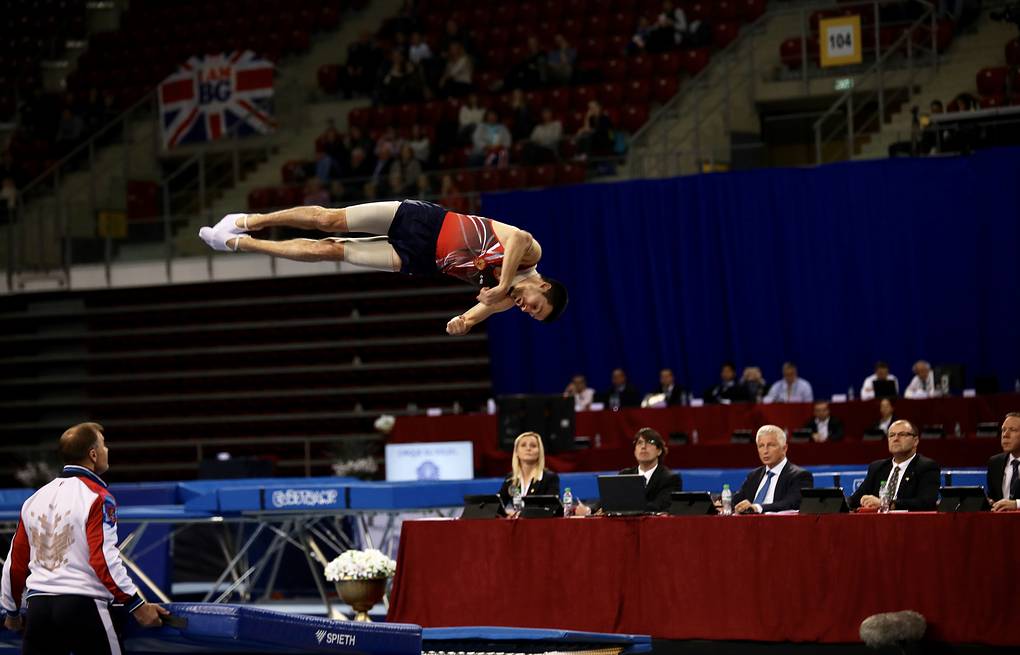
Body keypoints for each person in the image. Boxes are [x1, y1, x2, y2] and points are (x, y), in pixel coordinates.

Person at [198, 200, 568, 332]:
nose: (524, 308)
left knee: (330, 251)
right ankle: (250, 220)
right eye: (534, 306)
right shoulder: (530, 256)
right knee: (329, 220)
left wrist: (461, 323)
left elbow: (473, 315)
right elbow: (518, 236)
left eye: (529, 314)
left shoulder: (503, 300)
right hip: (426, 221)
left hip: (421, 261)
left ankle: (237, 242)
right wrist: (503, 284)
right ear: (544, 287)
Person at [1, 423, 169, 654]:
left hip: (38, 609)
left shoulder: (34, 499)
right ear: (93, 454)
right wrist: (137, 605)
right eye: (103, 445)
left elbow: (15, 564)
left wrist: (11, 611)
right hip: (83, 606)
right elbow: (103, 559)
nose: (107, 450)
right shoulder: (97, 497)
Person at [576, 428, 682, 515]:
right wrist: (588, 510)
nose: (643, 447)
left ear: (659, 450)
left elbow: (660, 506)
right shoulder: (625, 474)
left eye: (650, 442)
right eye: (639, 443)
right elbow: (607, 501)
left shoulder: (670, 478)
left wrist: (620, 507)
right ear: (635, 451)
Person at [848, 420, 941, 511]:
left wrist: (885, 504)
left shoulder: (926, 467)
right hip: (876, 523)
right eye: (891, 435)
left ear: (915, 441)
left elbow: (926, 502)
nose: (895, 438)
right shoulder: (877, 467)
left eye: (902, 434)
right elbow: (854, 500)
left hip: (908, 523)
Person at [731, 425, 814, 513]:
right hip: (749, 524)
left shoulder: (800, 476)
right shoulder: (753, 476)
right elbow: (736, 501)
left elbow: (791, 503)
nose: (765, 451)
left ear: (784, 448)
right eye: (761, 446)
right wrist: (723, 503)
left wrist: (758, 508)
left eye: (771, 445)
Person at [497, 432, 560, 514]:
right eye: (523, 445)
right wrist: (507, 513)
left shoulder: (549, 478)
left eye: (533, 446)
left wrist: (521, 514)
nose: (528, 448)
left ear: (539, 452)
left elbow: (552, 510)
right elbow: (496, 507)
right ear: (516, 452)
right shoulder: (510, 478)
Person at [987, 413, 1020, 512]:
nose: (1005, 435)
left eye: (1012, 430)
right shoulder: (995, 463)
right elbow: (993, 497)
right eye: (1003, 430)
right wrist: (990, 502)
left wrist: (1016, 504)